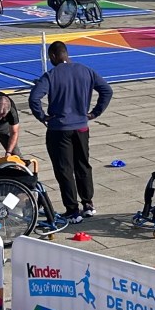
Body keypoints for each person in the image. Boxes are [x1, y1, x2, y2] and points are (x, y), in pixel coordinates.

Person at [28, 41, 114, 223]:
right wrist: (95, 112)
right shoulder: (86, 70)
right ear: (66, 53)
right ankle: (88, 203)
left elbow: (34, 98)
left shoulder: (51, 75)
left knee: (64, 169)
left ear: (53, 56)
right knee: (83, 165)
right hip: (81, 127)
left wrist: (42, 116)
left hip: (59, 130)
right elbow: (107, 90)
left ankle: (72, 210)